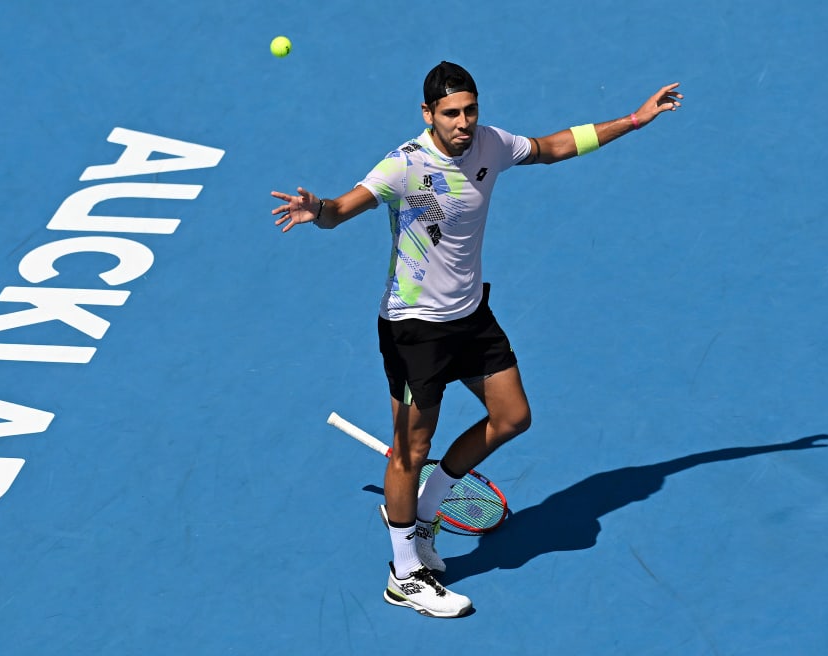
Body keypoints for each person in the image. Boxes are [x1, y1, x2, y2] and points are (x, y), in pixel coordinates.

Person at [271, 61, 683, 618]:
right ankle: (404, 573)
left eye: (470, 110)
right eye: (451, 114)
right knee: (410, 450)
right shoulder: (404, 165)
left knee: (512, 416)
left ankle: (428, 509)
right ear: (428, 115)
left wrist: (633, 119)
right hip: (415, 331)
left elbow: (552, 146)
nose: (464, 123)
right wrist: (315, 209)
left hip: (470, 316)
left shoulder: (490, 143)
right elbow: (342, 209)